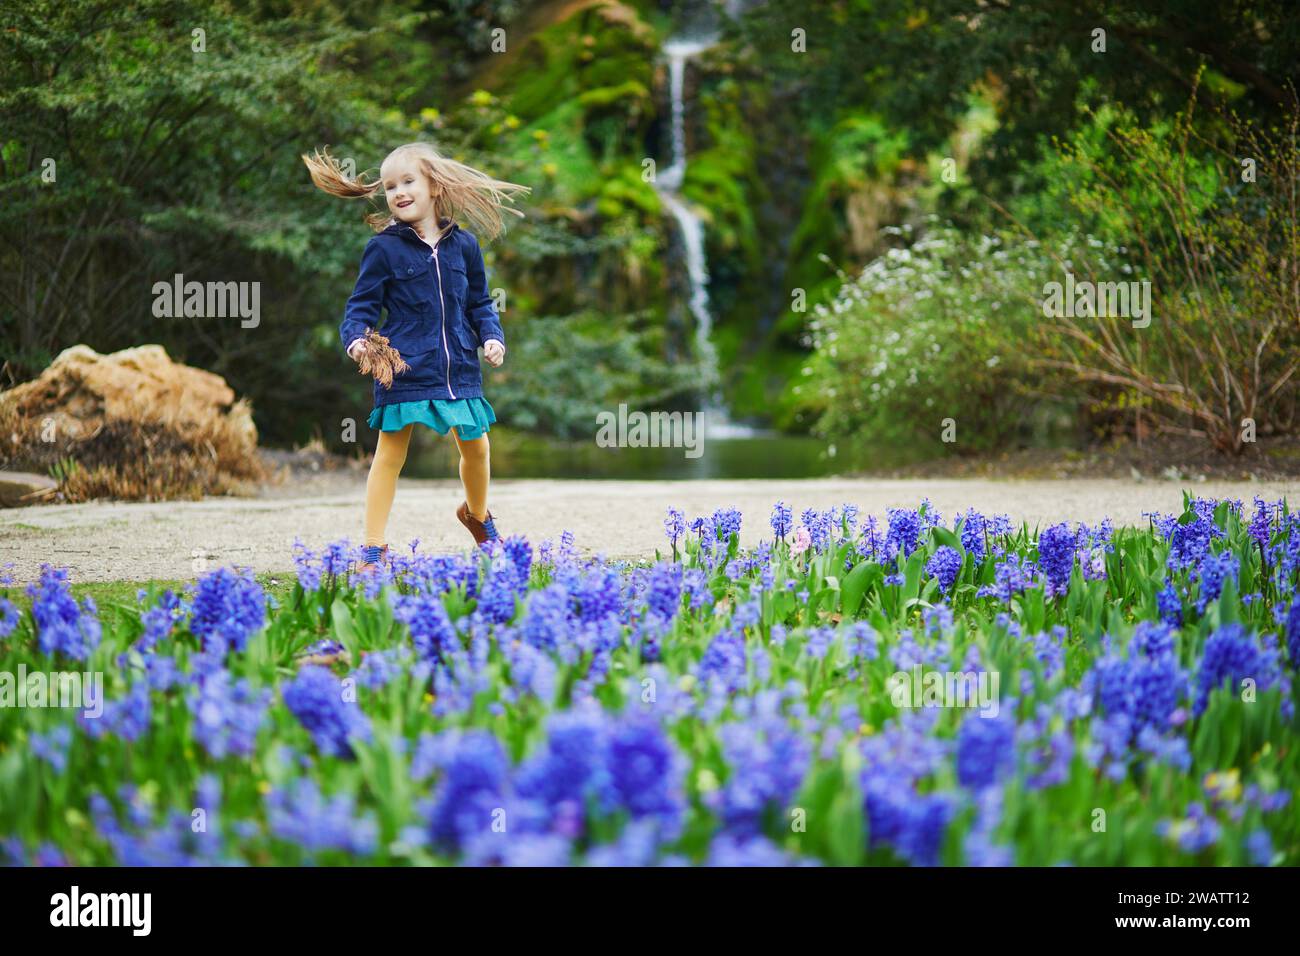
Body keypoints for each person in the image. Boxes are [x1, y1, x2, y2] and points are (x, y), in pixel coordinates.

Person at [303, 143, 530, 570]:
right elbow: (361, 308)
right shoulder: (384, 249)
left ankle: (477, 517)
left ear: (435, 187)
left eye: (408, 182)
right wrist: (356, 339)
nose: (398, 192)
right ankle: (373, 549)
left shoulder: (464, 246)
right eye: (390, 186)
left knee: (478, 448)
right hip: (404, 368)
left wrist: (491, 336)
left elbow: (480, 303)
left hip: (459, 367)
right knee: (389, 456)